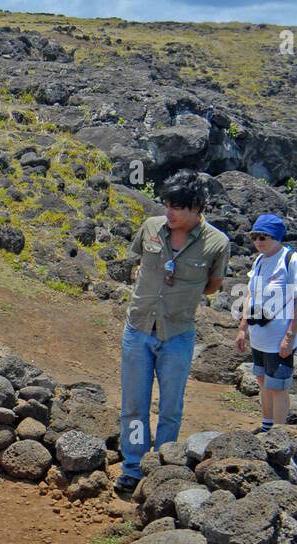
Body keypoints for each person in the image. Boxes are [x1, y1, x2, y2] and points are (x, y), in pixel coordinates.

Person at [117, 170, 231, 495]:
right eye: (167, 204)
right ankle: (133, 466)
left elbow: (212, 286)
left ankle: (161, 468)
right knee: (134, 406)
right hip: (138, 328)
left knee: (170, 407)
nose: (170, 212)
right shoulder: (151, 228)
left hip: (178, 334)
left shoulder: (217, 243)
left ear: (197, 208)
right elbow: (137, 261)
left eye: (178, 207)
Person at [235, 213, 297, 432]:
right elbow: (250, 294)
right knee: (261, 380)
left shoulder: (291, 261)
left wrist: (289, 337)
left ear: (276, 237)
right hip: (259, 335)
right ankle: (267, 425)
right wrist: (242, 328)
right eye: (255, 237)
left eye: (263, 237)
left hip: (279, 338)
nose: (258, 242)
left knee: (278, 386)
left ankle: (279, 434)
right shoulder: (259, 260)